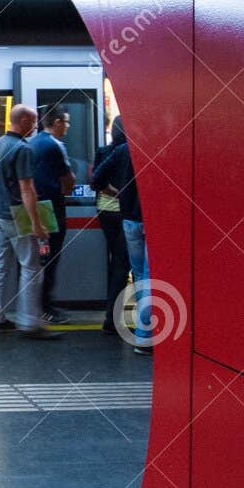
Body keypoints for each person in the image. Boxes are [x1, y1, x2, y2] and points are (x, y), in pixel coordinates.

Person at [0, 103, 56, 340]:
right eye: (34, 121)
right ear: (23, 121)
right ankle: (30, 323)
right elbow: (27, 189)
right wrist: (36, 223)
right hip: (16, 215)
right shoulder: (22, 149)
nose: (36, 126)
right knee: (31, 268)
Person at [92, 116, 152, 354]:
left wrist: (120, 195)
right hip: (148, 220)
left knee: (138, 274)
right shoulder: (151, 151)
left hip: (128, 220)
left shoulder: (119, 152)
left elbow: (96, 180)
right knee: (148, 277)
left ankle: (138, 326)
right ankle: (145, 335)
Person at [28, 105, 76, 323]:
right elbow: (68, 183)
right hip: (52, 209)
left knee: (35, 260)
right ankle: (46, 308)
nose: (68, 126)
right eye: (66, 122)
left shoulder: (31, 143)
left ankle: (32, 307)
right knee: (51, 258)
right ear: (56, 123)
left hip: (32, 209)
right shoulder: (56, 146)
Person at [92, 119, 131, 335]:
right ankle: (113, 319)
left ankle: (112, 315)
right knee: (121, 265)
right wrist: (122, 194)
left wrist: (112, 192)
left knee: (115, 262)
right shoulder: (130, 152)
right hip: (125, 212)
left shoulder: (103, 151)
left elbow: (96, 181)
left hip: (104, 211)